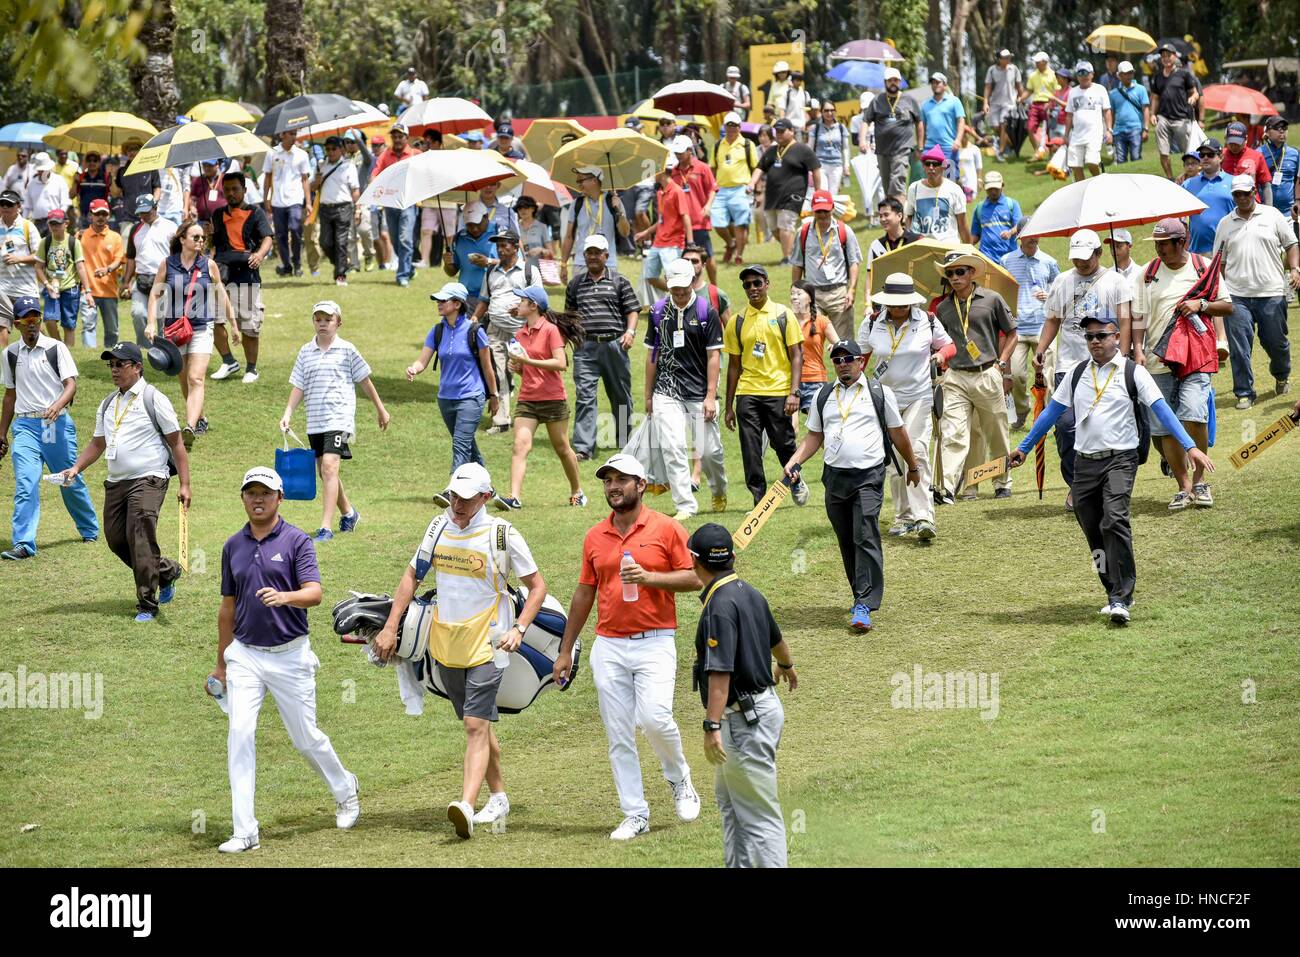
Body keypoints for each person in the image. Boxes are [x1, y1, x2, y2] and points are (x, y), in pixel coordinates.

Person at [371, 462, 545, 837]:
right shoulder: (437, 527)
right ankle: (499, 797)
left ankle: (465, 805)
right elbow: (412, 576)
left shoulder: (502, 534)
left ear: (485, 496)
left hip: (491, 642)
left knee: (473, 724)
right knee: (476, 722)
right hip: (447, 642)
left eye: (466, 498)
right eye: (453, 496)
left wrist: (519, 627)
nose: (457, 504)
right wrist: (389, 627)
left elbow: (537, 587)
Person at [1012, 317, 1214, 625]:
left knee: (1115, 519)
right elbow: (1052, 412)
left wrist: (1190, 447)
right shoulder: (1077, 373)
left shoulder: (1134, 372)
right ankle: (1114, 590)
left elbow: (1162, 410)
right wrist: (1024, 448)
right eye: (1089, 336)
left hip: (1120, 458)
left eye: (1101, 335)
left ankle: (1121, 597)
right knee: (1093, 528)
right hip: (1084, 462)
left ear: (1117, 337)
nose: (1094, 341)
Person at [550, 453, 703, 841]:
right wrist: (566, 649)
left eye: (621, 479)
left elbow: (694, 578)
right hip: (609, 646)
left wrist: (649, 577)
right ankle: (635, 813)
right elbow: (585, 593)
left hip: (656, 641)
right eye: (607, 480)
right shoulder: (594, 536)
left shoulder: (667, 529)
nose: (613, 486)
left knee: (654, 719)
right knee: (619, 733)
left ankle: (679, 776)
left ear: (642, 484)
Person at [211, 466, 360, 853]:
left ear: (279, 498)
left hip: (290, 656)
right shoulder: (233, 546)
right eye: (250, 493)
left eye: (265, 493)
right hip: (245, 655)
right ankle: (246, 831)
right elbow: (227, 608)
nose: (257, 499)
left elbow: (315, 593)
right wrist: (221, 664)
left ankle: (345, 789)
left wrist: (285, 597)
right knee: (240, 734)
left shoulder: (296, 541)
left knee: (305, 738)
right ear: (243, 498)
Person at [783, 339, 919, 630]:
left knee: (865, 533)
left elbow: (898, 432)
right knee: (847, 540)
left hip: (868, 477)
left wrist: (913, 466)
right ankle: (860, 593)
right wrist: (795, 461)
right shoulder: (823, 395)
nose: (843, 363)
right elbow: (814, 437)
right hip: (834, 478)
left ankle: (864, 603)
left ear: (862, 362)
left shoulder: (879, 393)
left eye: (849, 358)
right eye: (837, 359)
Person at [688, 523, 795, 868]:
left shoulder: (719, 605)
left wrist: (711, 725)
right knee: (733, 806)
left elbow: (720, 672)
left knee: (759, 816)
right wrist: (787, 665)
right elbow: (775, 638)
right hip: (759, 710)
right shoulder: (749, 592)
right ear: (732, 558)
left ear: (695, 563)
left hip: (742, 721)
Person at [58, 342, 190, 622]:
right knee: (117, 540)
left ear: (137, 367)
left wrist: (185, 485)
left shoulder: (154, 399)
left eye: (120, 364)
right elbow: (98, 443)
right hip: (116, 482)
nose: (114, 370)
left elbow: (177, 444)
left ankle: (147, 604)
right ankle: (166, 572)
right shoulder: (108, 403)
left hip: (150, 478)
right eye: (111, 365)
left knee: (140, 536)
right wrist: (76, 467)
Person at [1129, 218, 1231, 510]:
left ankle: (1200, 482)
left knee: (1194, 415)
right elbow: (1138, 318)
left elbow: (1227, 305)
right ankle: (1183, 486)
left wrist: (1201, 305)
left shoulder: (1202, 266)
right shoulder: (1147, 274)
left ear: (1181, 242)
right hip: (1157, 359)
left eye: (1164, 244)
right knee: (1163, 428)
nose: (1159, 249)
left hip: (1196, 357)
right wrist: (1137, 350)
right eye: (1156, 244)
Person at [1034, 228, 1133, 504]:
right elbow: (1053, 320)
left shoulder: (1116, 281)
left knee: (1102, 426)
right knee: (1065, 426)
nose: (1080, 264)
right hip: (1070, 366)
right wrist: (1041, 349)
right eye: (1076, 259)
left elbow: (1125, 321)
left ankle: (1104, 484)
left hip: (1107, 365)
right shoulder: (1062, 281)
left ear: (1099, 253)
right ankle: (1076, 484)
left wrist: (1122, 358)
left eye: (1086, 258)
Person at [282, 300, 390, 542]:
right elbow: (299, 385)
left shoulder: (348, 350)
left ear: (338, 323)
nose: (322, 323)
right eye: (318, 319)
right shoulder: (304, 352)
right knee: (324, 471)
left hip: (339, 418)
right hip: (315, 420)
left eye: (328, 319)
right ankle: (349, 513)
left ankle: (325, 528)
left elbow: (365, 381)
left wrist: (381, 409)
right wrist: (288, 413)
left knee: (330, 467)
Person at [0, 296, 98, 560]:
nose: (32, 325)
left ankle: (90, 528)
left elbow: (71, 385)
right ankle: (23, 543)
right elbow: (10, 395)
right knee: (25, 483)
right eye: (26, 321)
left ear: (40, 321)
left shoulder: (56, 348)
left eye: (35, 319)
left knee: (68, 479)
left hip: (54, 424)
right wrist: (1, 434)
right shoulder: (9, 354)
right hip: (25, 427)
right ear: (17, 325)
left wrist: (56, 406)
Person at [858, 274, 954, 538]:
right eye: (894, 303)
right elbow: (861, 356)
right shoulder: (872, 322)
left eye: (904, 303)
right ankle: (904, 516)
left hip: (918, 396)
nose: (899, 308)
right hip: (884, 398)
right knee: (894, 460)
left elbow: (949, 346)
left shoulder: (927, 320)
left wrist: (939, 355)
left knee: (916, 451)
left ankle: (924, 518)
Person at [932, 251, 1017, 502]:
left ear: (972, 273)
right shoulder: (943, 308)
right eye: (950, 273)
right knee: (954, 433)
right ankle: (948, 487)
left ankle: (1002, 481)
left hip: (987, 372)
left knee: (996, 433)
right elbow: (938, 343)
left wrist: (1001, 365)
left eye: (960, 271)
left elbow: (1012, 333)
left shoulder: (992, 299)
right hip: (955, 377)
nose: (955, 277)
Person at [645, 260, 726, 520]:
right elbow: (652, 356)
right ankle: (685, 505)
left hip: (699, 390)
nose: (679, 293)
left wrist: (711, 396)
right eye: (674, 288)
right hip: (666, 391)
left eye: (683, 287)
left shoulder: (706, 311)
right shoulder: (657, 311)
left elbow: (714, 356)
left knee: (711, 450)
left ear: (693, 281)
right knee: (673, 447)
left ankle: (718, 488)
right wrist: (648, 395)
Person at [724, 265, 807, 506]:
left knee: (783, 443)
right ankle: (758, 498)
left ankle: (795, 479)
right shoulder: (737, 321)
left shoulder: (783, 314)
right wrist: (729, 406)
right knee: (750, 448)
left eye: (757, 283)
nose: (752, 288)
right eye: (747, 285)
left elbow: (797, 355)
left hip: (779, 390)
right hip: (747, 391)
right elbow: (733, 366)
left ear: (767, 284)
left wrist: (794, 393)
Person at [1213, 174, 1299, 408]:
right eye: (1237, 194)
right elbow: (1219, 262)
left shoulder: (1272, 216)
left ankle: (1281, 375)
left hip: (1271, 292)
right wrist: (1220, 290)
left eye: (1245, 193)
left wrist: (1295, 268)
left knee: (1276, 343)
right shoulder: (1225, 224)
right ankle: (1244, 392)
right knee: (1239, 346)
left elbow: (1291, 244)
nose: (1241, 198)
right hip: (1237, 295)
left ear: (1254, 192)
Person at [147, 219, 233, 448]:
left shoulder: (209, 265)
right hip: (174, 329)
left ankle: (190, 427)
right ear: (182, 239)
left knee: (196, 378)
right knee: (183, 378)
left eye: (203, 238)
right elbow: (155, 295)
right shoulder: (167, 264)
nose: (200, 241)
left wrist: (233, 323)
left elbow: (221, 294)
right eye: (195, 237)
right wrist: (150, 323)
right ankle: (201, 417)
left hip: (202, 327)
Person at [499, 285, 587, 508]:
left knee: (562, 448)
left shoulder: (550, 330)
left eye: (522, 301)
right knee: (520, 445)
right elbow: (525, 368)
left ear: (533, 305)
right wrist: (516, 366)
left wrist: (527, 361)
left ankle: (577, 491)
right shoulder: (519, 334)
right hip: (527, 399)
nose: (518, 304)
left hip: (553, 399)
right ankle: (514, 497)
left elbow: (561, 363)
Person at [408, 282, 496, 480]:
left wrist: (494, 396)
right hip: (445, 399)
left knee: (460, 444)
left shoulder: (475, 331)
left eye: (443, 300)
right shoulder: (437, 331)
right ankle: (487, 489)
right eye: (438, 300)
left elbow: (488, 367)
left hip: (471, 397)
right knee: (467, 445)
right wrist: (413, 368)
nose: (438, 303)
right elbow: (422, 361)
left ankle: (453, 490)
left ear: (457, 304)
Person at [563, 234, 640, 460]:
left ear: (606, 255)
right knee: (585, 396)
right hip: (585, 349)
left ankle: (625, 441)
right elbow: (570, 316)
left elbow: (632, 310)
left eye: (598, 253)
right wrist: (570, 340)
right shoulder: (575, 284)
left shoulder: (619, 281)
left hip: (615, 345)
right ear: (584, 255)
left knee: (620, 395)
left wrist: (630, 332)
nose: (593, 257)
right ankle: (584, 448)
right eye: (589, 253)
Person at [209, 170, 273, 385]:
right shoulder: (217, 215)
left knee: (249, 325)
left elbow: (267, 238)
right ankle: (228, 361)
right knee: (215, 320)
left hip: (247, 273)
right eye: (226, 190)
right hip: (221, 274)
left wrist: (259, 255)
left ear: (244, 190)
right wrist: (208, 234)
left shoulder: (256, 213)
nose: (231, 193)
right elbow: (213, 246)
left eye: (235, 189)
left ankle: (252, 369)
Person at [472, 229, 532, 434]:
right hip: (495, 329)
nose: (500, 248)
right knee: (498, 374)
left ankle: (535, 413)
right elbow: (484, 299)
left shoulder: (528, 270)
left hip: (521, 331)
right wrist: (474, 319)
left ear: (516, 246)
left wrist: (522, 310)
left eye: (505, 244)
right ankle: (501, 421)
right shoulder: (491, 271)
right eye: (498, 245)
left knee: (528, 372)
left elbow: (540, 300)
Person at [1000, 231, 1059, 427]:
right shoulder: (1006, 260)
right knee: (1016, 375)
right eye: (1029, 235)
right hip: (1016, 328)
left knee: (1049, 375)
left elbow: (1060, 288)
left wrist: (1049, 294)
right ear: (1020, 237)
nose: (1034, 239)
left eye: (1037, 236)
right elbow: (1001, 290)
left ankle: (1048, 418)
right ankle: (1022, 412)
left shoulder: (1049, 261)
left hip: (1044, 326)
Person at [790, 189, 861, 341]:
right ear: (812, 210)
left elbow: (854, 262)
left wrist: (852, 290)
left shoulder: (844, 231)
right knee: (809, 342)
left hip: (839, 294)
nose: (822, 215)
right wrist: (796, 294)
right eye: (819, 211)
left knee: (843, 344)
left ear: (833, 208)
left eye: (826, 211)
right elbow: (797, 265)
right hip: (811, 294)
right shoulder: (803, 232)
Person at [752, 118, 822, 265]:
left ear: (791, 132)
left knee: (785, 225)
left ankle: (787, 258)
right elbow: (760, 167)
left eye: (782, 131)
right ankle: (796, 249)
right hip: (772, 196)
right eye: (776, 131)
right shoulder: (771, 151)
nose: (778, 134)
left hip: (793, 195)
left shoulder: (802, 150)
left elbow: (815, 169)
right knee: (774, 228)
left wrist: (818, 191)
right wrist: (752, 183)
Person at [120, 196, 177, 348]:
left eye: (146, 211)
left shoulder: (171, 227)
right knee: (138, 314)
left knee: (163, 319)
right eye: (140, 212)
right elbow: (131, 258)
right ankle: (146, 348)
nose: (143, 215)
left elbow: (177, 256)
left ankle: (164, 350)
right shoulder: (135, 229)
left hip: (164, 280)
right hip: (141, 280)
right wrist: (126, 282)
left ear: (155, 207)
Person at [559, 165, 631, 284]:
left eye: (581, 180)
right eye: (578, 181)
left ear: (594, 180)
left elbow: (625, 232)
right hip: (581, 263)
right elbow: (568, 236)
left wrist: (620, 212)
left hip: (608, 263)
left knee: (607, 301)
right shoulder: (577, 204)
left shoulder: (612, 201)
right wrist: (563, 264)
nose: (579, 185)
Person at [635, 157, 693, 296]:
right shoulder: (661, 192)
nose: (652, 176)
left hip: (673, 244)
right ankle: (681, 294)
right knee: (650, 277)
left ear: (660, 172)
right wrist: (646, 232)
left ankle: (682, 298)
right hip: (659, 243)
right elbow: (662, 220)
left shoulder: (677, 191)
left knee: (674, 278)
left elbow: (686, 216)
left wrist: (690, 242)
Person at [865, 67, 922, 205]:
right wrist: (862, 140)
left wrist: (920, 146)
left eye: (895, 80)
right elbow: (865, 121)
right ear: (885, 82)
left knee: (897, 182)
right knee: (887, 186)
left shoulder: (909, 100)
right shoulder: (877, 101)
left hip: (902, 149)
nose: (893, 83)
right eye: (890, 80)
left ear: (900, 82)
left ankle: (900, 217)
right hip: (882, 151)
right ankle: (894, 213)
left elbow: (919, 122)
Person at [34, 209, 90, 347]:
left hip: (70, 288)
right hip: (52, 288)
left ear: (66, 223)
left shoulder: (73, 242)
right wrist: (46, 284)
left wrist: (88, 291)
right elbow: (38, 267)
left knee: (69, 325)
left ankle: (69, 353)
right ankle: (60, 347)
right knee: (49, 319)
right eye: (52, 224)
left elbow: (81, 267)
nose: (54, 227)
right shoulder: (45, 242)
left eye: (57, 224)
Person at [371, 123, 419, 283]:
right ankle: (410, 268)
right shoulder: (385, 155)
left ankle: (402, 275)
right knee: (395, 240)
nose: (397, 139)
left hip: (408, 203)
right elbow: (375, 175)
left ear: (407, 137)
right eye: (394, 136)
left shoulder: (415, 154)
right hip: (390, 203)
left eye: (400, 136)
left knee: (405, 239)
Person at [710, 113, 758, 266]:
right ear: (724, 127)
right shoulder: (718, 145)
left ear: (739, 127)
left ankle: (739, 254)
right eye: (728, 126)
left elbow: (755, 167)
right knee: (717, 222)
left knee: (740, 224)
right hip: (721, 189)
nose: (731, 129)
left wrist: (753, 185)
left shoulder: (747, 144)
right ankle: (730, 243)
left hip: (740, 188)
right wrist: (713, 185)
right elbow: (712, 167)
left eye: (734, 126)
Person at [313, 136, 361, 287]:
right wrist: (317, 181)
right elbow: (312, 187)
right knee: (325, 242)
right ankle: (340, 263)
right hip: (325, 208)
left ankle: (340, 274)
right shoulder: (321, 166)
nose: (331, 152)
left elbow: (355, 189)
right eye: (327, 149)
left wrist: (358, 208)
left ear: (341, 149)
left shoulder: (348, 166)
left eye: (334, 149)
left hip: (343, 207)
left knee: (341, 242)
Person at [261, 131, 311, 277]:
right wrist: (266, 199)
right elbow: (267, 177)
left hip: (295, 200)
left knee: (295, 229)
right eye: (291, 134)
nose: (294, 136)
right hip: (277, 201)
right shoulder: (272, 153)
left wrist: (308, 202)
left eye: (295, 133)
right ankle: (287, 266)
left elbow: (305, 179)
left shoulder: (302, 154)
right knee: (280, 235)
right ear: (282, 135)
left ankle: (297, 262)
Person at [670, 135, 718, 284]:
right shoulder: (673, 172)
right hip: (681, 224)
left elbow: (712, 189)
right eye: (676, 152)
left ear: (690, 150)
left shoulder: (702, 168)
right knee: (684, 258)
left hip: (699, 221)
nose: (678, 155)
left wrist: (708, 206)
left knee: (707, 255)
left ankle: (714, 287)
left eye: (681, 152)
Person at [790, 279, 839, 426]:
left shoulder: (821, 321)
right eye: (792, 294)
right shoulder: (785, 321)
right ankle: (794, 450)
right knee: (790, 429)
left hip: (815, 380)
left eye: (799, 293)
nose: (794, 297)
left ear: (810, 298)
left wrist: (834, 347)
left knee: (821, 428)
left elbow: (840, 344)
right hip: (790, 381)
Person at [1150, 43, 1201, 181]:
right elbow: (1155, 97)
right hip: (1163, 117)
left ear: (1174, 56)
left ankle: (1193, 176)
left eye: (1168, 55)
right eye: (1163, 56)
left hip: (1181, 118)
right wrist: (1153, 114)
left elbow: (1195, 93)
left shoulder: (1184, 74)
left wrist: (1192, 98)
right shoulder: (1157, 76)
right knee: (1163, 151)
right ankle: (1170, 178)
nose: (1166, 58)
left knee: (1189, 152)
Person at [79, 199, 124, 348]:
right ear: (91, 215)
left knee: (112, 331)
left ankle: (111, 356)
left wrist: (108, 269)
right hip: (88, 291)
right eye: (97, 214)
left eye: (104, 214)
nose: (101, 218)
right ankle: (89, 357)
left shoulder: (115, 237)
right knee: (88, 326)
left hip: (109, 291)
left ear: (108, 215)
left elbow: (119, 260)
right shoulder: (81, 236)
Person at [906, 146, 970, 244]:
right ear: (923, 166)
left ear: (944, 166)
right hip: (922, 247)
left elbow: (963, 226)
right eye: (927, 164)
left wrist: (970, 252)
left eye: (935, 164)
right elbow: (909, 217)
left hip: (948, 247)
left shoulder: (955, 190)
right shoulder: (914, 189)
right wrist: (909, 240)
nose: (931, 167)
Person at [443, 201, 497, 312]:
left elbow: (515, 263)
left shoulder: (500, 233)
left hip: (494, 297)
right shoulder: (459, 237)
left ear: (486, 217)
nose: (474, 229)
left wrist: (489, 261)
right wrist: (447, 263)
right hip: (466, 298)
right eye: (470, 225)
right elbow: (452, 272)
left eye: (478, 224)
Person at [1184, 139, 1235, 255]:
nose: (1205, 158)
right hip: (1198, 251)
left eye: (1210, 155)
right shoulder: (1188, 184)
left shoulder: (1234, 182)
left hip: (1229, 250)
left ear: (1221, 157)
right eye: (1202, 155)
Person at [1064, 61, 1112, 181]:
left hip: (1094, 134)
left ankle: (1099, 181)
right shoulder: (1072, 92)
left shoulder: (1100, 89)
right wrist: (1066, 135)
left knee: (1091, 162)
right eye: (1080, 73)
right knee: (1076, 165)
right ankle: (1081, 189)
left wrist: (1109, 131)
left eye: (1085, 73)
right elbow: (1069, 115)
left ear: (1092, 74)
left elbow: (1107, 111)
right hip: (1076, 135)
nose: (1083, 76)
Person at [919, 72, 968, 180]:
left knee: (950, 179)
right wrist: (920, 146)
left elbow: (961, 121)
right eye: (933, 83)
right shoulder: (925, 104)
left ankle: (951, 197)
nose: (935, 85)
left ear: (945, 85)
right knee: (929, 179)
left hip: (948, 147)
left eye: (938, 82)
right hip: (929, 147)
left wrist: (958, 140)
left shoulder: (954, 101)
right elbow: (921, 125)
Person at [970, 172, 1021, 265]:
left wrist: (1010, 233)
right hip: (987, 258)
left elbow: (1019, 226)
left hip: (1009, 258)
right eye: (990, 189)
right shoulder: (979, 208)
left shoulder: (1012, 204)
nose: (993, 192)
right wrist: (965, 245)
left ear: (1002, 185)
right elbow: (975, 234)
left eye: (996, 189)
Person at [984, 49, 1024, 162]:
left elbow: (1019, 86)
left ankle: (1000, 152)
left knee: (1003, 125)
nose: (1008, 59)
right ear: (999, 59)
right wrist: (985, 102)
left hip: (1009, 103)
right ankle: (1012, 146)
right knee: (996, 127)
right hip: (995, 103)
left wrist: (1022, 99)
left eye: (1009, 57)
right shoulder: (991, 70)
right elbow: (987, 87)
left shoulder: (1014, 69)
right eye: (1005, 57)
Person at [865, 197, 920, 279]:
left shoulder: (917, 241)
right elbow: (870, 278)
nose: (882, 219)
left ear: (899, 216)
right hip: (884, 291)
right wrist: (867, 291)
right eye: (880, 216)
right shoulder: (876, 246)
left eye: (886, 215)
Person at [1221, 122, 1273, 206]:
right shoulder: (1220, 156)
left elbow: (1265, 184)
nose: (1234, 146)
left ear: (1246, 139)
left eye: (1237, 143)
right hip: (1226, 204)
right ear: (1226, 139)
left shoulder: (1256, 156)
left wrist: (1269, 208)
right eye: (1231, 143)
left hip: (1250, 204)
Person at [112, 142, 160, 233]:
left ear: (141, 151)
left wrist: (153, 204)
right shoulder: (122, 171)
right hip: (128, 217)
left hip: (147, 216)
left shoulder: (151, 169)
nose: (132, 152)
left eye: (135, 149)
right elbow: (115, 193)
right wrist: (111, 176)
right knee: (126, 245)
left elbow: (157, 188)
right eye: (129, 150)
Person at [1108, 61, 1150, 164]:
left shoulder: (1141, 89)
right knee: (1121, 160)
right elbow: (1111, 114)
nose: (1128, 76)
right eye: (1125, 73)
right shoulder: (1113, 94)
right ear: (1119, 75)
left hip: (1136, 128)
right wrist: (1110, 130)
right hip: (1118, 131)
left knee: (1136, 157)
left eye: (1130, 73)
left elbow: (1146, 109)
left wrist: (1146, 129)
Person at [1260, 117, 1299, 226]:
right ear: (1267, 132)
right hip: (1265, 213)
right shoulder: (1258, 154)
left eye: (1284, 128)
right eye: (1277, 128)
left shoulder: (1295, 154)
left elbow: (1298, 181)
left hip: (1289, 214)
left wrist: (1298, 201)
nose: (1281, 130)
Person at [1022, 52, 1061, 160]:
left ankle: (1051, 155)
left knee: (1049, 131)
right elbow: (1029, 90)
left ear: (1045, 62)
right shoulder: (1033, 75)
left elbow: (1057, 91)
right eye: (1036, 62)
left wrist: (1052, 103)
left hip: (1049, 104)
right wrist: (1021, 98)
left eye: (1038, 62)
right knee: (1029, 128)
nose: (1036, 63)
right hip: (1035, 104)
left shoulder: (1053, 75)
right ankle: (1037, 151)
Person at [24, 153, 71, 237]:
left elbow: (65, 203)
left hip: (56, 222)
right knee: (38, 248)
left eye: (44, 170)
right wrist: (23, 223)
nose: (42, 173)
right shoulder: (31, 184)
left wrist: (58, 217)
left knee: (55, 248)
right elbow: (27, 207)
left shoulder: (59, 181)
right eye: (40, 171)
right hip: (38, 223)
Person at [810, 101, 850, 196]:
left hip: (836, 166)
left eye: (832, 110)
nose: (829, 113)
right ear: (821, 112)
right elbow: (810, 148)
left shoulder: (841, 127)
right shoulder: (815, 128)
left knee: (833, 195)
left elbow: (845, 148)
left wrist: (846, 166)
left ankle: (831, 211)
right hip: (820, 165)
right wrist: (809, 167)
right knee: (823, 194)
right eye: (826, 111)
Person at [185, 158, 227, 227]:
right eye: (204, 165)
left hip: (222, 220)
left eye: (210, 165)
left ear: (217, 165)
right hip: (202, 220)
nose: (207, 168)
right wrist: (192, 207)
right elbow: (192, 197)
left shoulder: (224, 179)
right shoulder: (198, 180)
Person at [515, 196, 554, 269]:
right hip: (520, 270)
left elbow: (551, 252)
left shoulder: (542, 227)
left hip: (539, 270)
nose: (522, 210)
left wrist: (541, 250)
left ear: (533, 208)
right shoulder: (515, 228)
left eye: (525, 207)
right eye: (519, 208)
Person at [74, 153, 111, 228]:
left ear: (99, 162)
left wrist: (111, 177)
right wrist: (75, 181)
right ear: (86, 162)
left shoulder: (106, 176)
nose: (92, 163)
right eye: (89, 160)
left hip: (101, 215)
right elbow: (71, 195)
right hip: (84, 215)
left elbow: (114, 194)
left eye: (95, 160)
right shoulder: (81, 176)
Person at [955, 129, 983, 201]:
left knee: (970, 199)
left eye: (966, 134)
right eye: (963, 134)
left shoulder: (975, 149)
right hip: (959, 178)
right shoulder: (955, 149)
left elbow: (979, 166)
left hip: (971, 178)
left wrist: (979, 180)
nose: (964, 136)